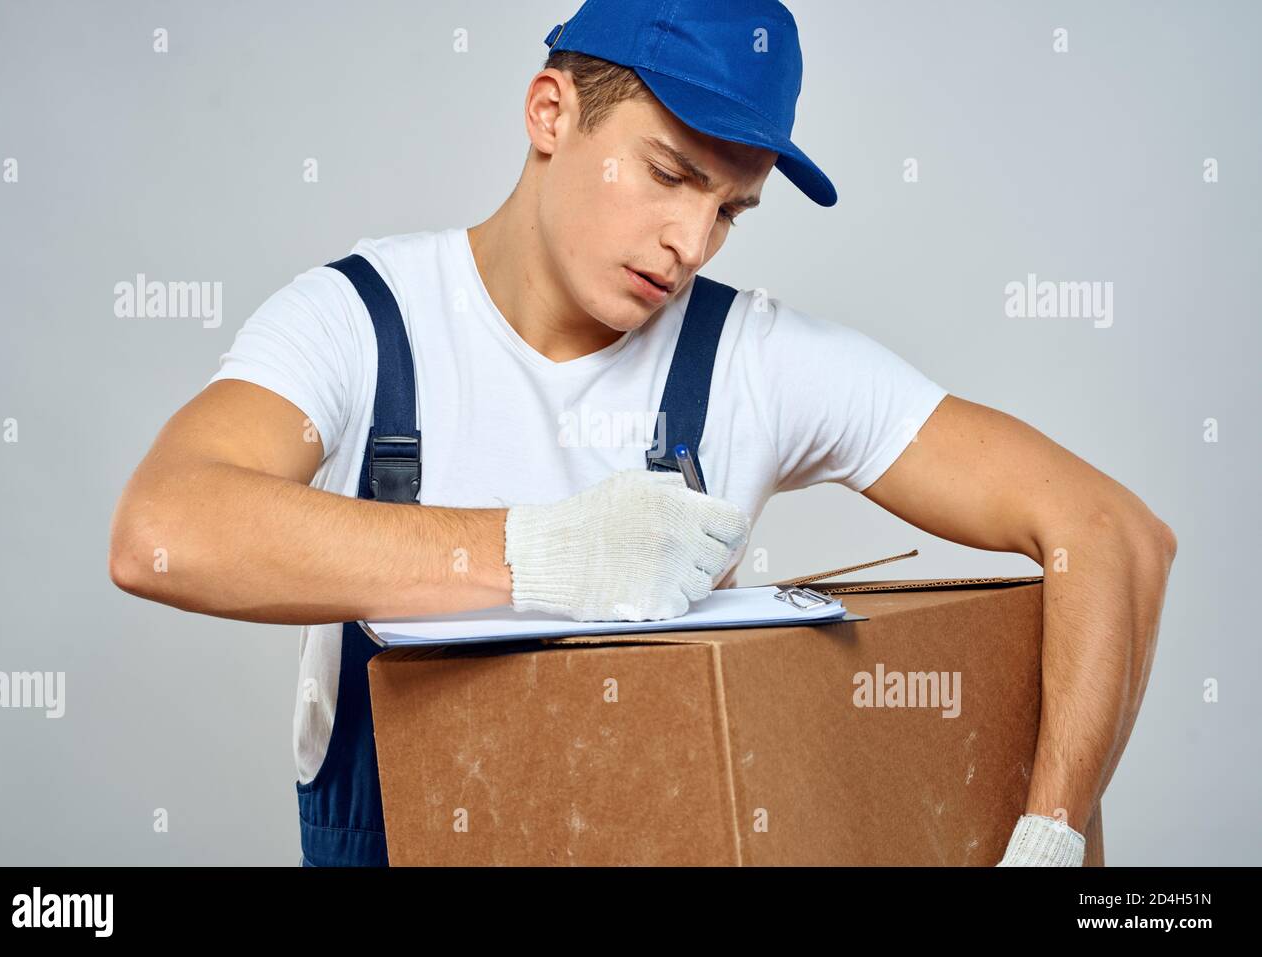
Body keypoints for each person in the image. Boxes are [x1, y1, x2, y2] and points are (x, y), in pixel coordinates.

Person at [108, 0, 1176, 867]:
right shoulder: (362, 322)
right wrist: (548, 552)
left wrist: (1052, 830)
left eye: (728, 210)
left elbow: (1110, 532)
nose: (688, 241)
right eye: (667, 175)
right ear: (549, 113)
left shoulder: (753, 359)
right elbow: (165, 529)